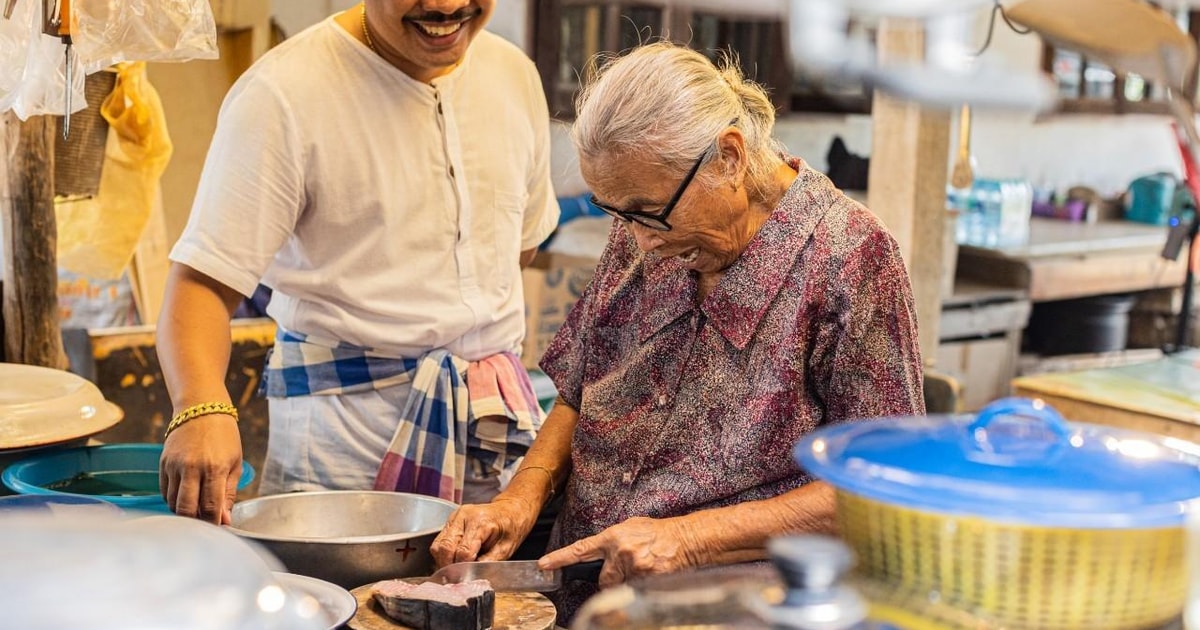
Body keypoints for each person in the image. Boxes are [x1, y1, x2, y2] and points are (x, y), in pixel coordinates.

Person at [429, 41, 925, 620]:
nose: (639, 241)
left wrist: (689, 538)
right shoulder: (645, 219)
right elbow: (582, 389)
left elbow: (882, 486)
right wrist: (522, 495)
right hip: (580, 599)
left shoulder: (851, 259)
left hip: (727, 608)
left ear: (731, 157)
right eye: (620, 215)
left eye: (648, 213)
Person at [157, 0, 559, 524]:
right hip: (339, 455)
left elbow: (517, 248)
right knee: (342, 604)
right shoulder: (284, 94)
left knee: (489, 604)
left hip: (489, 435)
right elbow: (201, 286)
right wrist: (201, 406)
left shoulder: (513, 75)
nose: (445, 5)